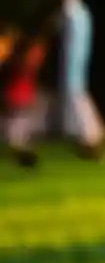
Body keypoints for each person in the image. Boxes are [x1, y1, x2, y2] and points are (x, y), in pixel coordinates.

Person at [57, 0, 105, 158]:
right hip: (74, 61)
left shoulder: (74, 13)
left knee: (76, 94)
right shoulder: (78, 13)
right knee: (74, 94)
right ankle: (82, 135)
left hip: (74, 61)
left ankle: (89, 136)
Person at [1, 34, 47, 168]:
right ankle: (23, 154)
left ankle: (23, 153)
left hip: (20, 100)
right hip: (16, 99)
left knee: (16, 132)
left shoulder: (21, 64)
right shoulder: (18, 63)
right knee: (14, 131)